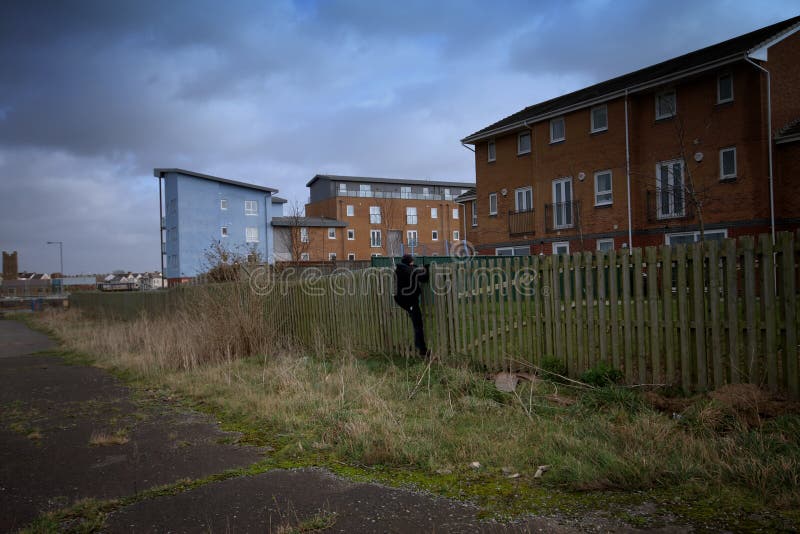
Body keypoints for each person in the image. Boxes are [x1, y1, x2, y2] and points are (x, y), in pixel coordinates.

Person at [394, 254, 430, 357]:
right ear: (410, 262)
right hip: (408, 301)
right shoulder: (409, 271)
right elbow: (424, 278)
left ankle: (418, 345)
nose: (413, 263)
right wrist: (426, 268)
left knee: (416, 323)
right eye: (412, 262)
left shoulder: (400, 269)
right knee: (418, 324)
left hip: (402, 299)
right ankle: (422, 350)